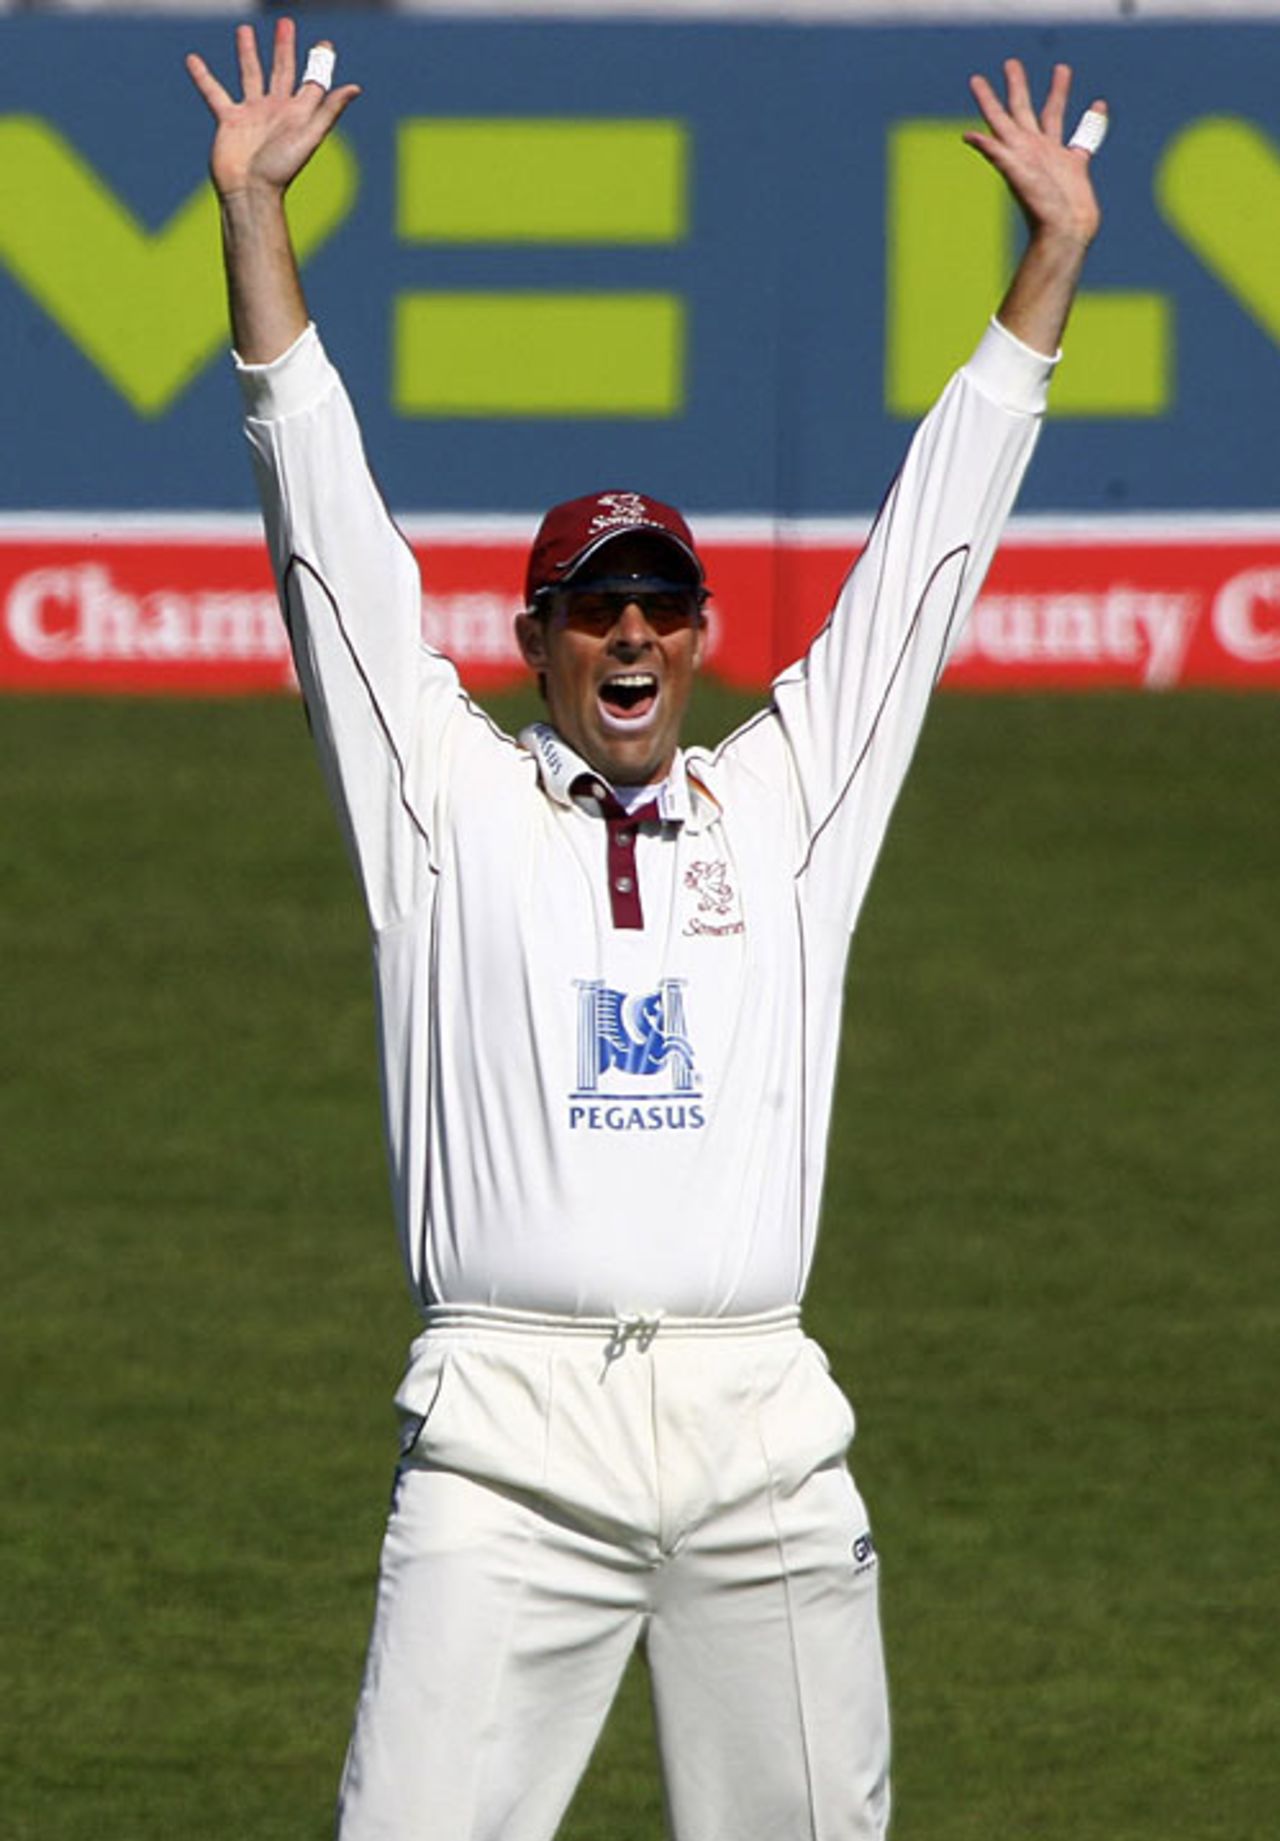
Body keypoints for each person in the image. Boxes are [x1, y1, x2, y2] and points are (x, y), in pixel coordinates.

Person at [187, 20, 1104, 1840]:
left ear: (696, 637)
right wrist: (254, 223)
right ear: (533, 642)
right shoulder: (442, 800)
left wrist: (1051, 266)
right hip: (505, 1441)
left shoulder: (786, 803)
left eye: (661, 608)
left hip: (760, 1424)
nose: (630, 637)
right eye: (592, 609)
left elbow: (929, 562)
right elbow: (326, 531)